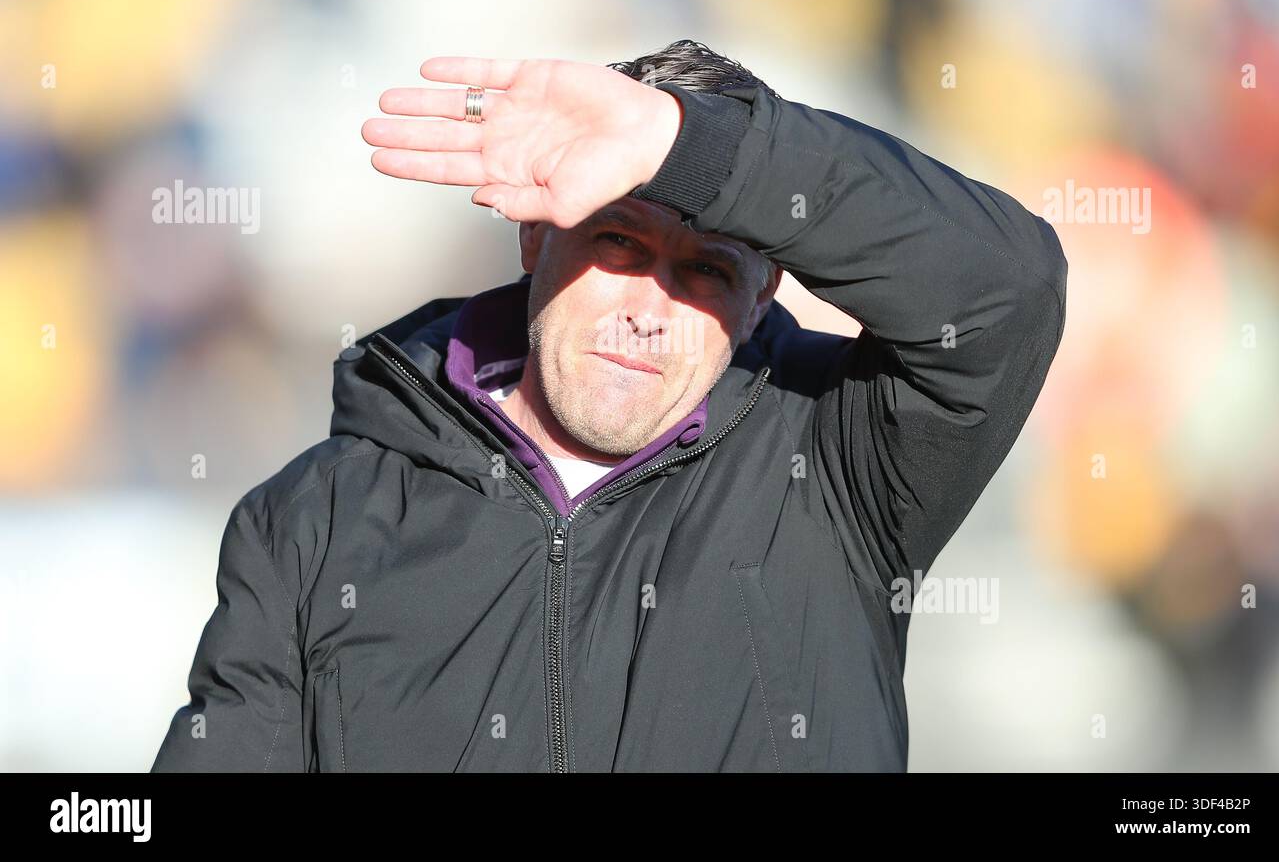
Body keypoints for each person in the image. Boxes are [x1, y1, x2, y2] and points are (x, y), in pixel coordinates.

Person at [152, 39, 1066, 772]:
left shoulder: (839, 459)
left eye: (707, 268)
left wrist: (691, 149)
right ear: (534, 236)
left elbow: (1005, 292)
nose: (648, 307)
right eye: (620, 243)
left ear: (762, 297)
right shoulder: (313, 523)